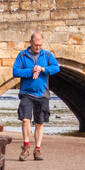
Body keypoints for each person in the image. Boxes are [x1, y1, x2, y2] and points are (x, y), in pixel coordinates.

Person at [12, 32, 60, 161]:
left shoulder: (47, 55)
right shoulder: (22, 55)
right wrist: (32, 70)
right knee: (25, 120)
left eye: (40, 45)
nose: (38, 47)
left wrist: (42, 69)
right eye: (36, 45)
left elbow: (56, 68)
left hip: (42, 93)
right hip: (27, 93)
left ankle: (37, 149)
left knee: (39, 123)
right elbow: (15, 72)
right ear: (31, 42)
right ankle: (26, 146)